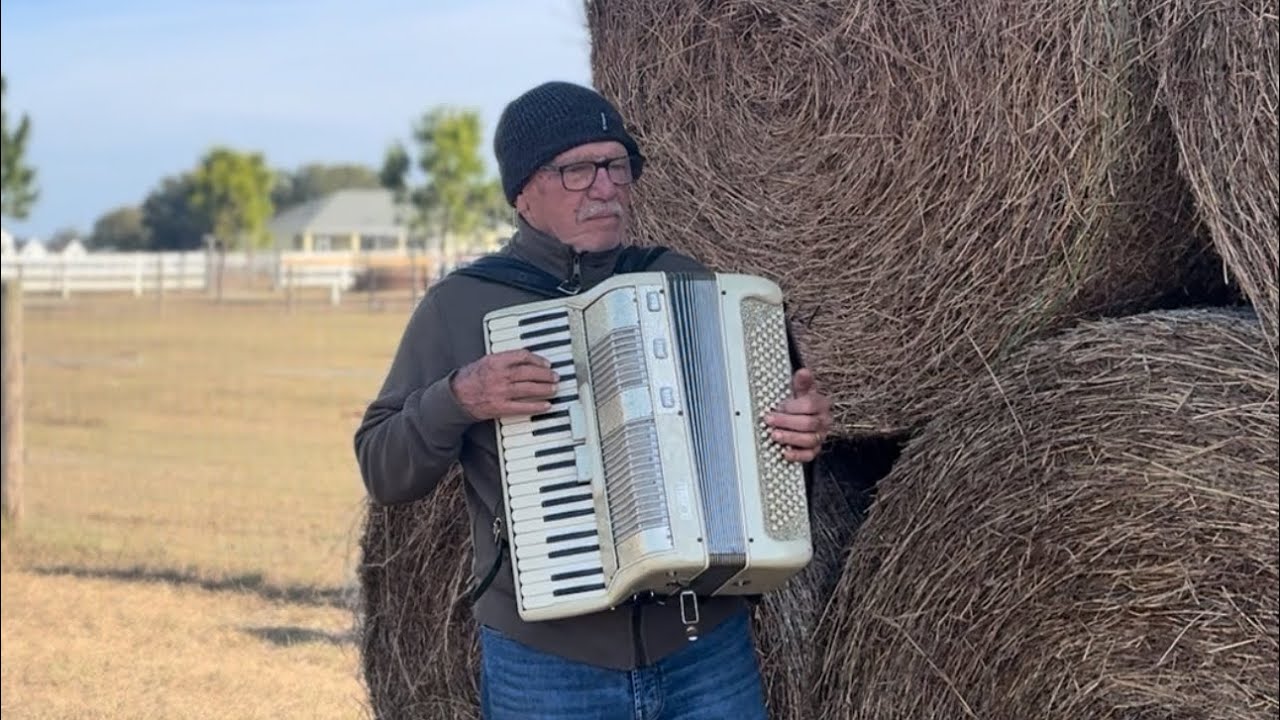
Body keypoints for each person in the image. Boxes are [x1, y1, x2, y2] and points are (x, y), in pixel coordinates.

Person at [353, 80, 833, 720]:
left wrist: (801, 430)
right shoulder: (463, 305)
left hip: (702, 647)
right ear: (523, 192)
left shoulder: (687, 280)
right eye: (577, 170)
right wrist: (458, 397)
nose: (605, 187)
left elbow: (766, 441)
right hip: (548, 668)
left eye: (616, 166)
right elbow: (382, 467)